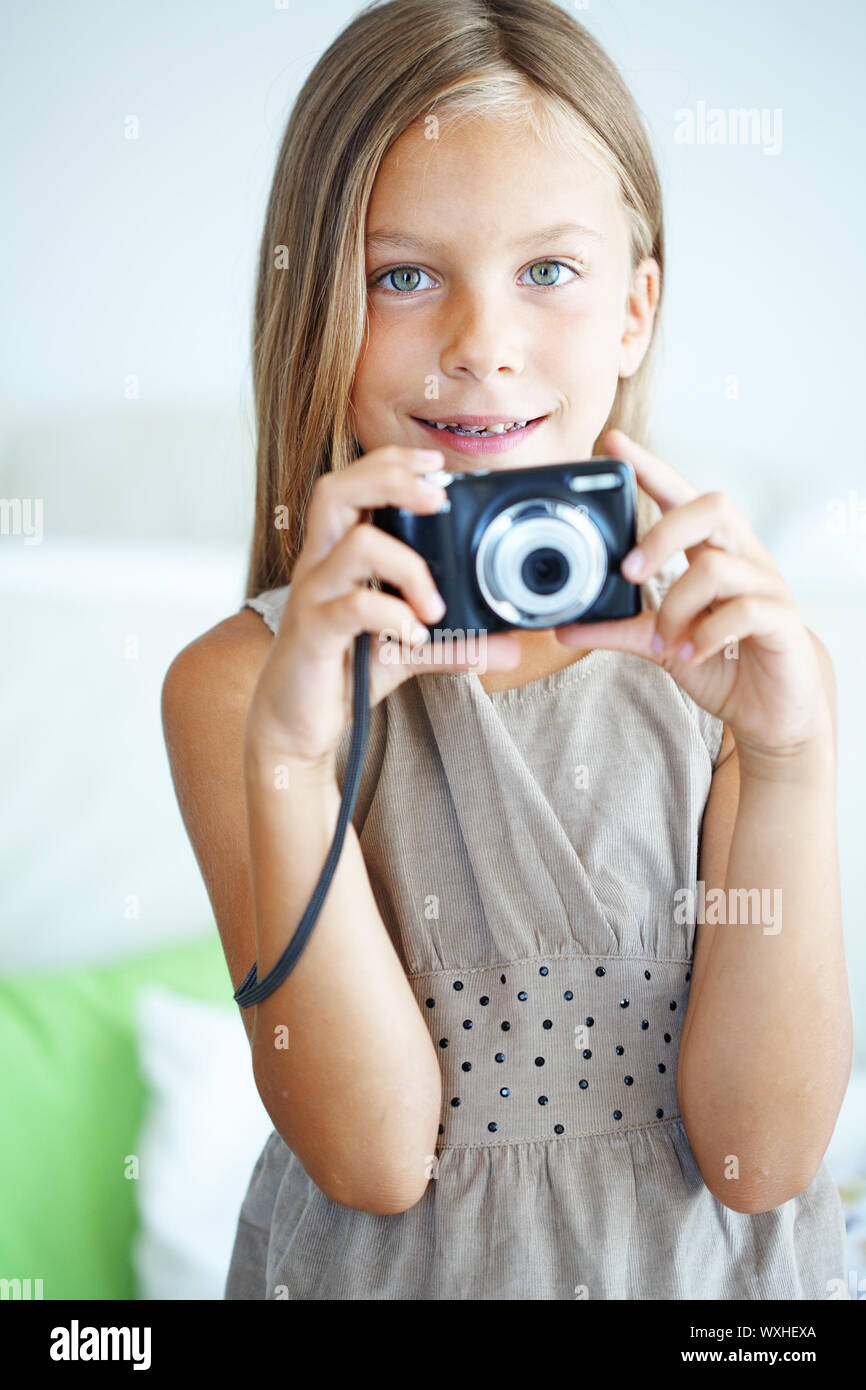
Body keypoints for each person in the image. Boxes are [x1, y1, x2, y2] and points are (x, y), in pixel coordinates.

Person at [161, 0, 851, 1299]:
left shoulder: (741, 672)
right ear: (318, 302)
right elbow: (370, 1156)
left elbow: (759, 1155)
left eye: (547, 270)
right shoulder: (240, 686)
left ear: (633, 313)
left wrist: (795, 757)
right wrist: (298, 760)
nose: (481, 340)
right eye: (403, 274)